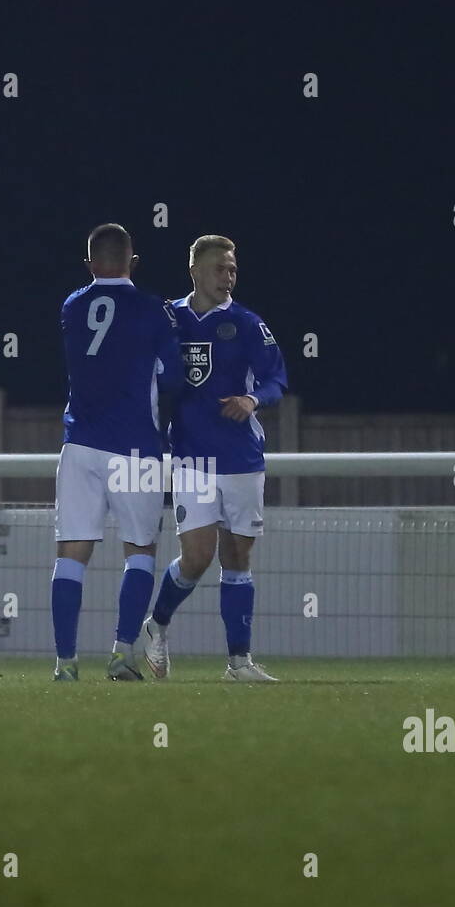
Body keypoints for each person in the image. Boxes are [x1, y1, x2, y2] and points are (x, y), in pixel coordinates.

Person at [140, 235, 288, 682]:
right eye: (220, 268)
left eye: (233, 269)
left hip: (242, 457)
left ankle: (238, 663)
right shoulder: (169, 318)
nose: (229, 277)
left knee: (238, 557)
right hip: (191, 457)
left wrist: (252, 399)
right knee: (197, 557)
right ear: (196, 272)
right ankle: (157, 625)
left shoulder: (246, 323)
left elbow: (277, 379)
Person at [51, 223, 183, 681]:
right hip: (135, 447)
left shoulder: (71, 305)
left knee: (71, 552)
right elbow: (173, 379)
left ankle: (65, 663)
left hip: (80, 445)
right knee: (141, 550)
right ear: (134, 260)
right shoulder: (154, 309)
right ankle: (121, 654)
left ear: (89, 263)